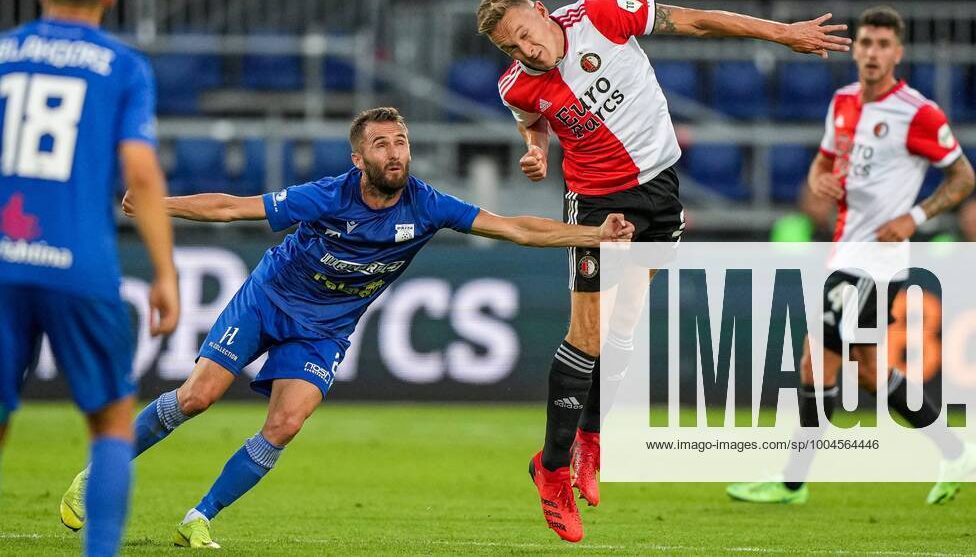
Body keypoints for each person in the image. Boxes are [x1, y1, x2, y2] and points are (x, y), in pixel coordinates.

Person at [59, 106, 635, 549]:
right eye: (381, 144)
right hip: (269, 300)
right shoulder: (325, 197)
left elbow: (517, 229)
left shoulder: (427, 205)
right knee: (196, 398)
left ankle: (198, 519)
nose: (395, 152)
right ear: (359, 158)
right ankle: (98, 473)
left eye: (401, 142)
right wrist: (160, 203)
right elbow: (235, 207)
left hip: (325, 330)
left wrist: (596, 235)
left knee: (285, 424)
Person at [476, 0, 851, 542]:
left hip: (661, 186)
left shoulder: (601, 17)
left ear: (539, 9)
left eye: (526, 33)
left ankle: (591, 440)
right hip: (598, 204)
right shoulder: (517, 84)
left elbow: (696, 21)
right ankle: (551, 469)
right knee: (589, 332)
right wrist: (535, 150)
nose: (526, 50)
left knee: (627, 320)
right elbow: (532, 122)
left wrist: (782, 32)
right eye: (512, 47)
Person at [726, 6, 976, 507]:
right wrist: (815, 180)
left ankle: (793, 482)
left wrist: (917, 216)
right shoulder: (842, 102)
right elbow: (823, 163)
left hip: (876, 261)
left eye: (883, 45)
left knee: (816, 359)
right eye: (866, 43)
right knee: (866, 369)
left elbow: (964, 178)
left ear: (898, 53)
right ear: (856, 48)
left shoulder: (917, 113)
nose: (872, 53)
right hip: (845, 250)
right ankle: (954, 450)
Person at [0, 0, 179, 557]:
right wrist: (165, 272)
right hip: (81, 264)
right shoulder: (123, 67)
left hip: (2, 266)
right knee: (108, 421)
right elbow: (142, 173)